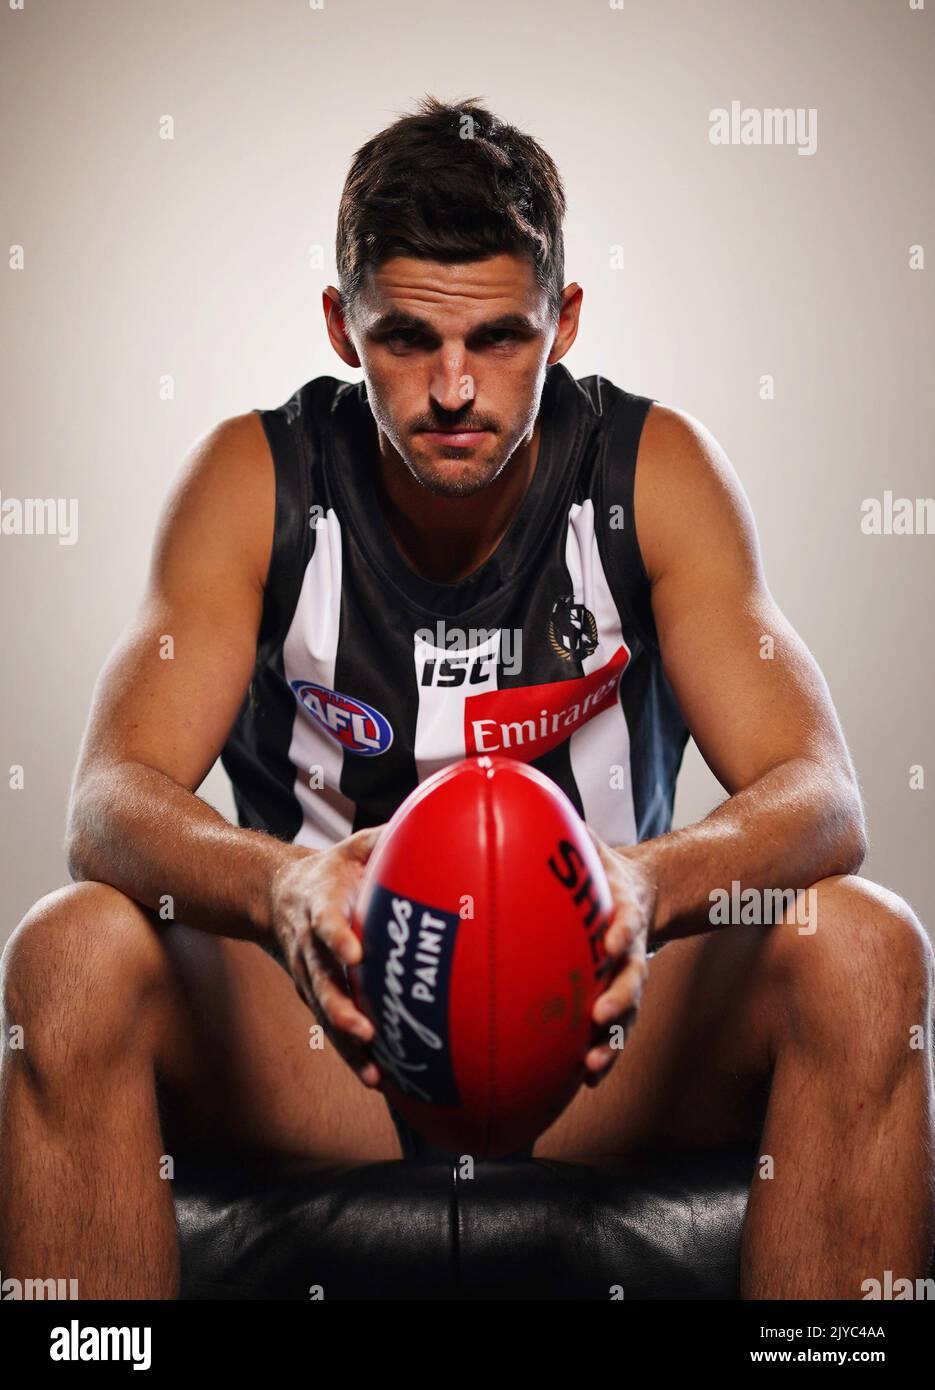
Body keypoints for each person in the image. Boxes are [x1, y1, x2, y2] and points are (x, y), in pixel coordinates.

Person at [1, 96, 932, 1300]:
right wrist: (282, 885)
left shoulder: (648, 474)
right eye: (405, 339)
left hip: (590, 1030)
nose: (453, 387)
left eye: (498, 338)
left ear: (564, 322)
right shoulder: (255, 477)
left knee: (863, 945)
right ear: (341, 326)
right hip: (335, 1035)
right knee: (66, 951)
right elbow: (106, 802)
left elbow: (821, 794)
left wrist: (643, 884)